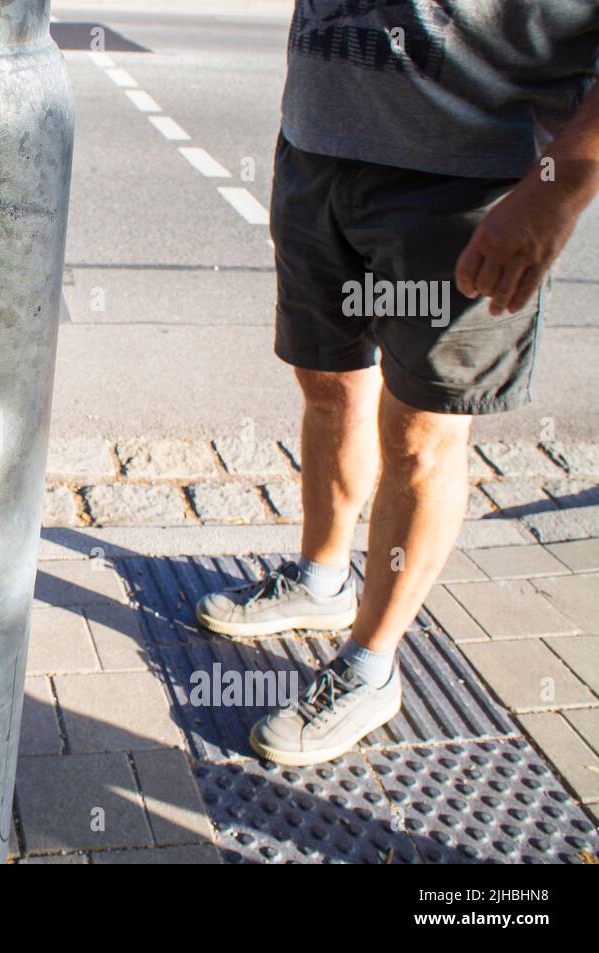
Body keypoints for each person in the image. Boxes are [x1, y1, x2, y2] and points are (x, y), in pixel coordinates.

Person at [195, 1, 599, 767]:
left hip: (471, 184)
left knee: (421, 435)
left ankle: (371, 665)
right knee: (328, 382)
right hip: (319, 148)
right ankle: (321, 577)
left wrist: (559, 189)